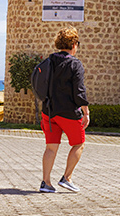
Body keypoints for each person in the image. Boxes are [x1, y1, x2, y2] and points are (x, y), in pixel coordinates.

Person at [39, 27, 90, 193]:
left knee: (51, 148)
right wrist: (86, 112)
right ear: (74, 44)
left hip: (49, 111)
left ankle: (46, 183)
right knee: (79, 144)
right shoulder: (75, 64)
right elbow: (79, 91)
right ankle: (66, 178)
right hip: (68, 113)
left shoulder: (48, 62)